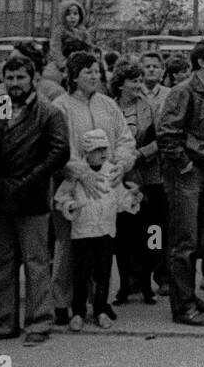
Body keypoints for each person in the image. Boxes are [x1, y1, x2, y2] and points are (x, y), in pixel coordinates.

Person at [0, 55, 69, 345]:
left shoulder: (48, 111)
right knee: (4, 262)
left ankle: (39, 322)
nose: (15, 83)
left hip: (32, 197)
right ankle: (6, 321)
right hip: (2, 197)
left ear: (32, 79)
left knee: (36, 262)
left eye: (20, 77)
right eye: (10, 77)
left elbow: (59, 152)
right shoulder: (1, 106)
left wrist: (31, 179)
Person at [51, 51, 137, 326]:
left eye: (97, 71)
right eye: (87, 71)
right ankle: (64, 303)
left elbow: (125, 138)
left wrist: (121, 165)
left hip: (106, 182)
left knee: (103, 246)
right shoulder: (60, 106)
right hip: (75, 183)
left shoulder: (108, 105)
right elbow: (58, 146)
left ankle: (101, 300)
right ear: (74, 75)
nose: (94, 76)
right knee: (69, 246)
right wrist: (80, 172)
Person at [158, 39, 204, 326]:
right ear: (202, 62)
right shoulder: (183, 92)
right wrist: (185, 166)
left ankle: (189, 297)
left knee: (194, 240)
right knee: (183, 243)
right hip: (187, 176)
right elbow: (167, 134)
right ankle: (183, 306)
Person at [55, 129, 140, 330]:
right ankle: (78, 311)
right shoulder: (76, 175)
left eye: (105, 148)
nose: (102, 153)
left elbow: (121, 199)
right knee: (81, 272)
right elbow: (60, 197)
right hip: (82, 231)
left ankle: (101, 309)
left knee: (103, 271)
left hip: (105, 231)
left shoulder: (112, 172)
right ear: (87, 152)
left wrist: (133, 198)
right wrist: (70, 205)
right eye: (97, 149)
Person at [111, 60, 161, 305]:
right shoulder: (109, 108)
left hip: (145, 178)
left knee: (150, 233)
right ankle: (123, 285)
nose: (139, 85)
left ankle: (146, 282)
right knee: (122, 236)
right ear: (121, 84)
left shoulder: (149, 108)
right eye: (134, 81)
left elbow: (161, 140)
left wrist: (140, 154)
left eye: (140, 80)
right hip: (118, 179)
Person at [49, 0, 92, 66]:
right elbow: (55, 48)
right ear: (62, 16)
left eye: (75, 13)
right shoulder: (59, 30)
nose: (72, 17)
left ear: (80, 15)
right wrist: (63, 63)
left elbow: (89, 47)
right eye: (68, 14)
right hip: (63, 63)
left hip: (80, 64)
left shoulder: (83, 31)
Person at [139, 51, 170, 116]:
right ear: (140, 70)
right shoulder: (134, 93)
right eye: (147, 66)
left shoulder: (169, 94)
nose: (151, 69)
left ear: (162, 71)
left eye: (155, 67)